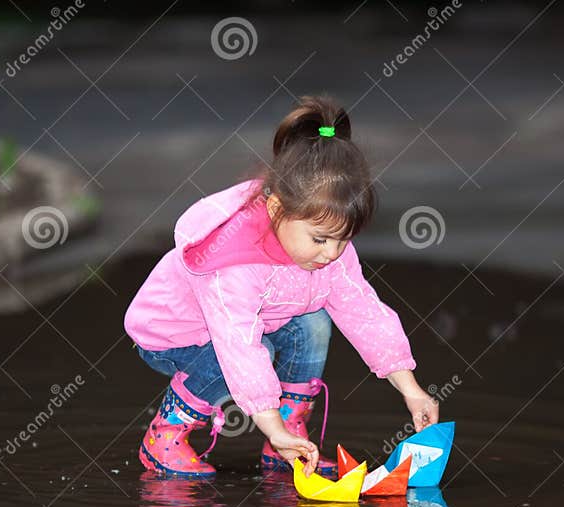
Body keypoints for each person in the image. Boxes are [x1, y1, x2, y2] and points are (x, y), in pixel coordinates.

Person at [123, 94, 439, 480]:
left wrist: (410, 388)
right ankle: (166, 434)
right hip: (171, 333)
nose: (332, 253)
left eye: (343, 239)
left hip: (253, 322)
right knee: (257, 350)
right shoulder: (234, 261)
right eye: (320, 239)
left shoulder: (327, 248)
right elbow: (238, 343)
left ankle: (289, 438)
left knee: (314, 323)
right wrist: (269, 424)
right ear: (276, 210)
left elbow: (364, 312)